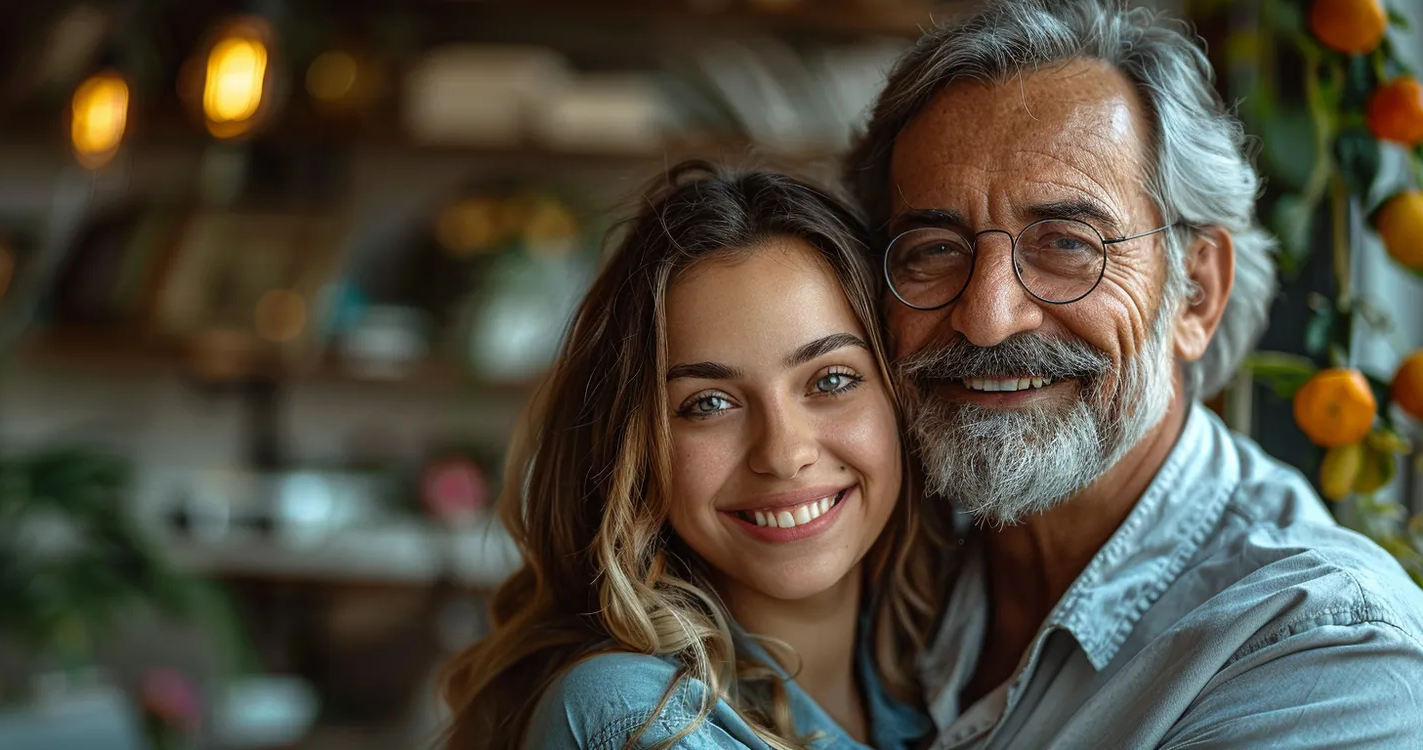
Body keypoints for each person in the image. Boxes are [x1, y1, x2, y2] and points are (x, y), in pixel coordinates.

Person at [842, 0, 1423, 747]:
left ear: (1195, 292)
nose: (986, 318)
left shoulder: (1327, 653)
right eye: (932, 248)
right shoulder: (856, 545)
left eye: (1067, 243)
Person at [438, 162, 942, 749]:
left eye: (831, 380)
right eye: (708, 403)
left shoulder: (937, 678)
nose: (783, 453)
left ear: (903, 397)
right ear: (632, 447)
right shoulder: (635, 718)